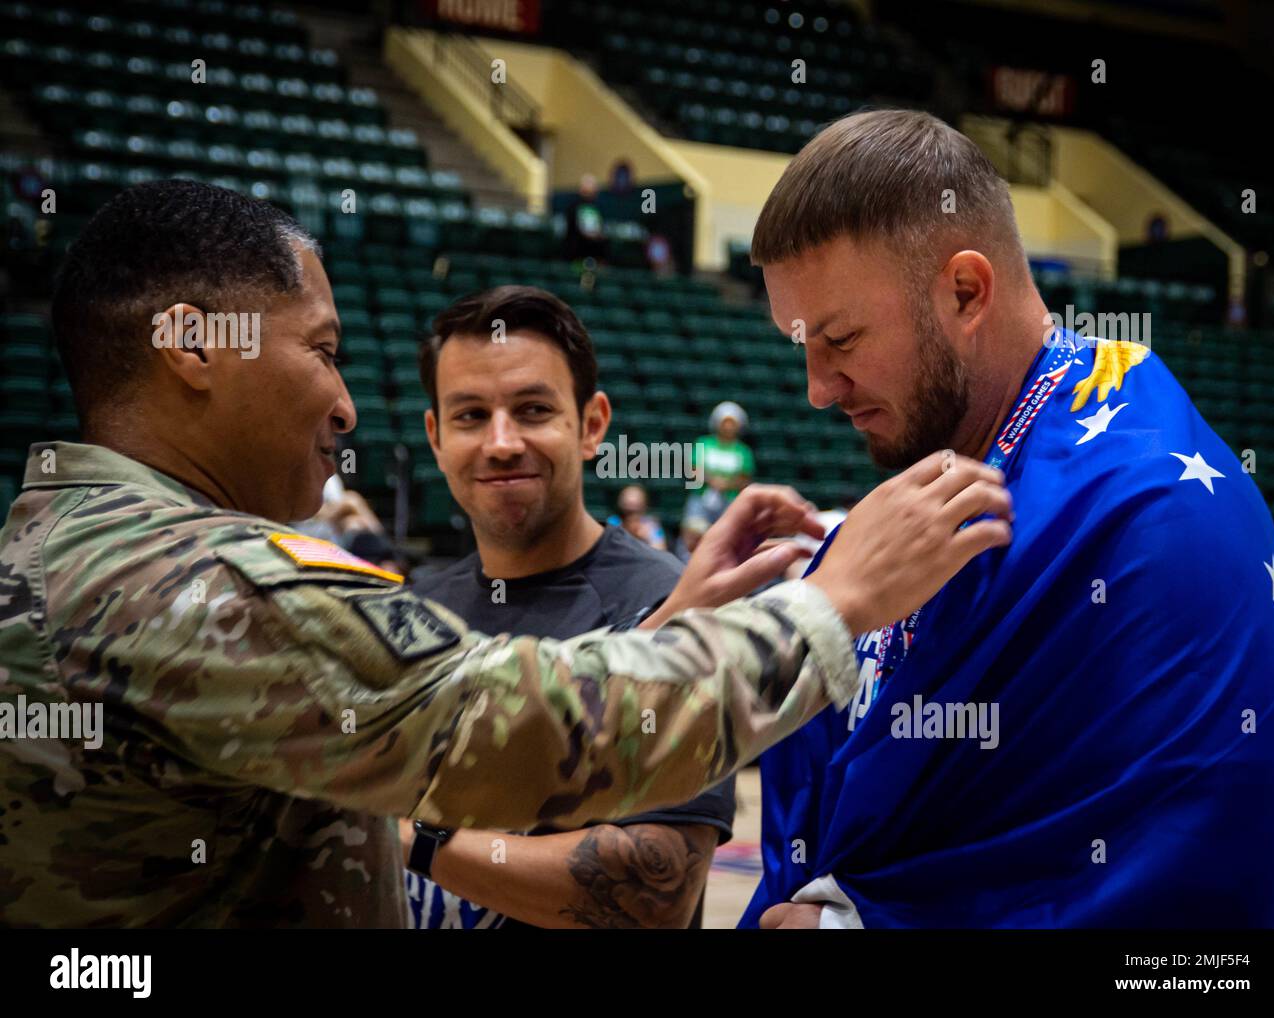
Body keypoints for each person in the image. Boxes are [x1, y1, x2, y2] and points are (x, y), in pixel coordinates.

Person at [0, 179, 1013, 927]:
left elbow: (549, 790)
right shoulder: (205, 583)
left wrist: (672, 630)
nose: (344, 401)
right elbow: (496, 722)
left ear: (592, 424)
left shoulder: (55, 545)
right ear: (193, 343)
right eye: (319, 348)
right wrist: (827, 604)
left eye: (533, 409)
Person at [740, 109, 1274, 929]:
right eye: (802, 347)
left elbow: (1198, 899)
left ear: (966, 292)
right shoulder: (942, 468)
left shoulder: (1158, 517)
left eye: (842, 339)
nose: (818, 389)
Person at [404, 287, 733, 928]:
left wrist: (413, 839)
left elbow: (653, 892)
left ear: (591, 426)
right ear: (435, 436)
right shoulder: (416, 612)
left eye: (532, 410)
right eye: (470, 415)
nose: (502, 443)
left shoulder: (667, 605)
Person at [694, 401, 755, 500]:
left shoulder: (744, 451)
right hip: (701, 498)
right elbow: (694, 469)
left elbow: (745, 479)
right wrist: (712, 481)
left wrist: (726, 485)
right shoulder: (703, 443)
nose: (728, 427)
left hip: (730, 501)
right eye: (725, 423)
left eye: (732, 423)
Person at [562, 173, 608, 264]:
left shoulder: (597, 208)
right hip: (578, 255)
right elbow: (587, 232)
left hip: (591, 255)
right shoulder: (576, 208)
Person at [609, 483, 667, 551]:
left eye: (635, 511)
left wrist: (645, 539)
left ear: (644, 505)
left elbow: (661, 552)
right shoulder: (612, 522)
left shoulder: (651, 525)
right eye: (629, 512)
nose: (632, 517)